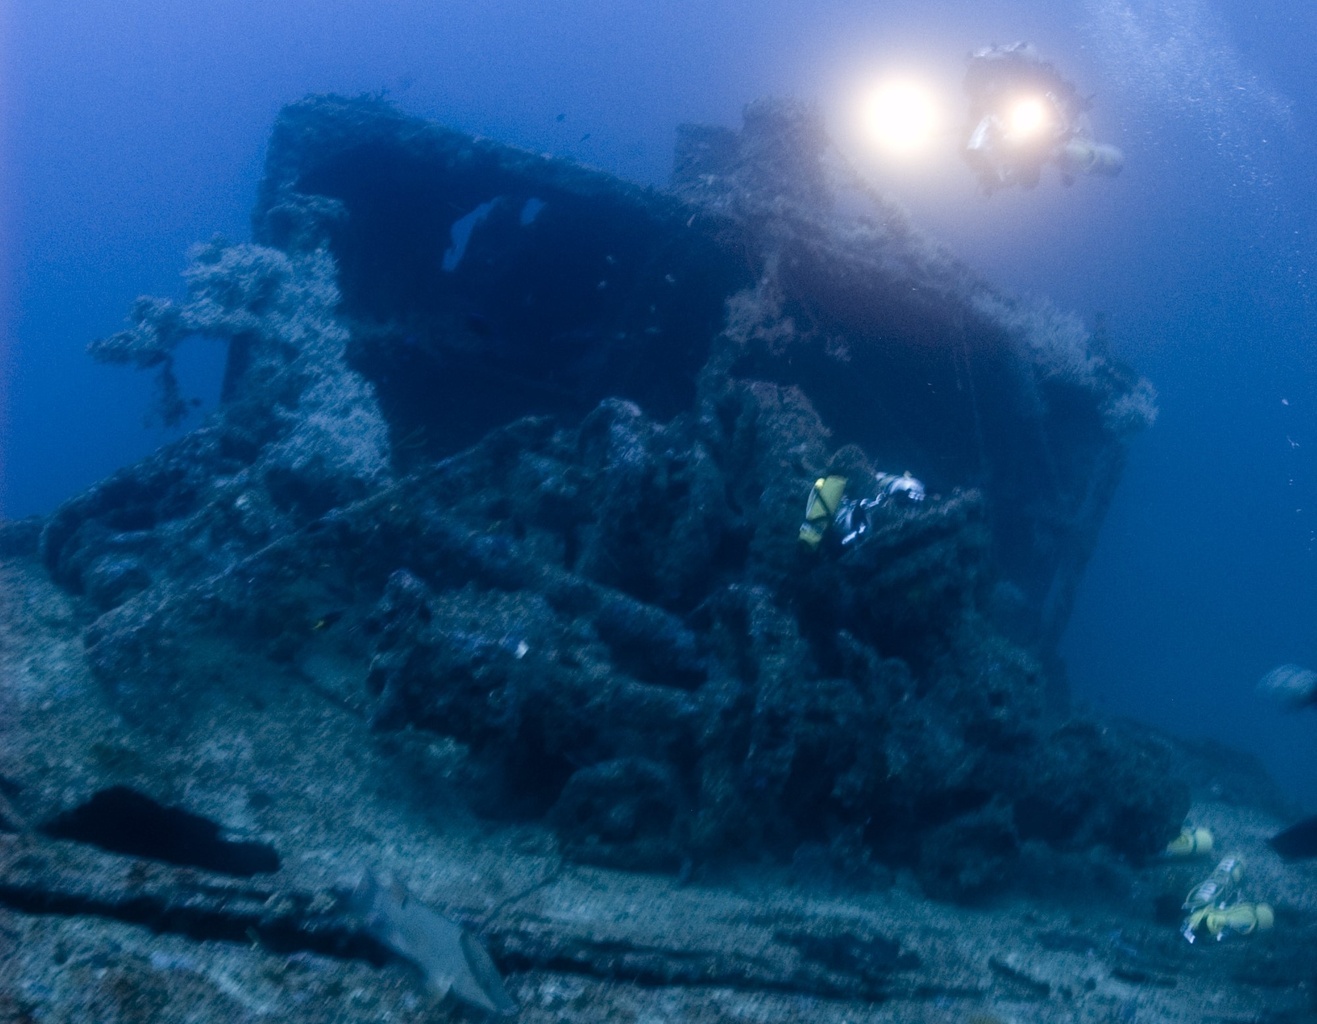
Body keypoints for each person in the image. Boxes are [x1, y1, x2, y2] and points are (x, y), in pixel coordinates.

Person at [962, 42, 1123, 193]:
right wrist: (984, 167)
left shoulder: (1027, 75)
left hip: (1048, 122)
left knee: (1067, 153)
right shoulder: (982, 99)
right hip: (1020, 136)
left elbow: (1056, 90)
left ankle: (1084, 157)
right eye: (985, 83)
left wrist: (1063, 112)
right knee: (1026, 176)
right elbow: (975, 131)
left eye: (993, 80)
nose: (991, 87)